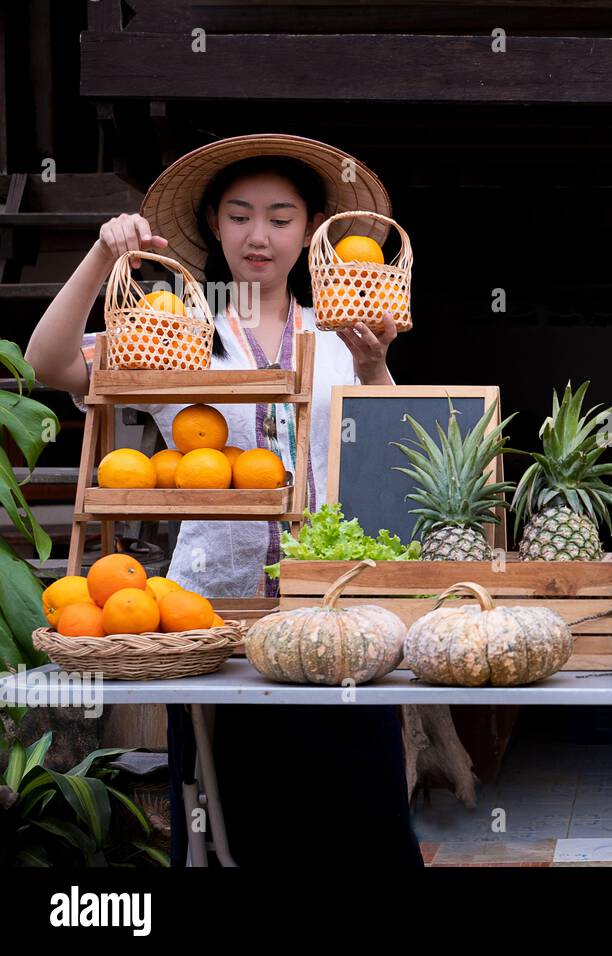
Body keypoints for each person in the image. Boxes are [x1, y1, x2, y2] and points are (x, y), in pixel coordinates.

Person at [25, 134, 422, 866]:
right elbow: (48, 363)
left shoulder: (338, 336)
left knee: (362, 829)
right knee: (228, 831)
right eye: (239, 216)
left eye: (279, 217)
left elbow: (393, 463)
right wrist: (100, 260)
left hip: (333, 619)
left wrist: (376, 365)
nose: (258, 236)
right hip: (209, 626)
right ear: (213, 223)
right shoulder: (176, 329)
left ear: (308, 230)